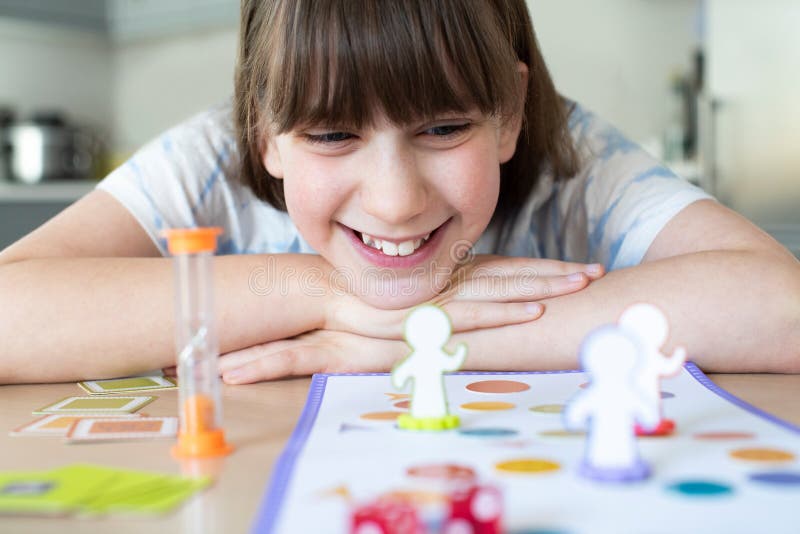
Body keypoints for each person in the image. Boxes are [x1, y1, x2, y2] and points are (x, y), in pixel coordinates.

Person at [0, 0, 797, 384]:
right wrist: (321, 295)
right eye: (332, 135)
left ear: (511, 113)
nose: (394, 201)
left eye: (445, 128)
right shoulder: (208, 155)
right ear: (266, 129)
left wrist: (423, 332)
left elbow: (782, 306)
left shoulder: (573, 156)